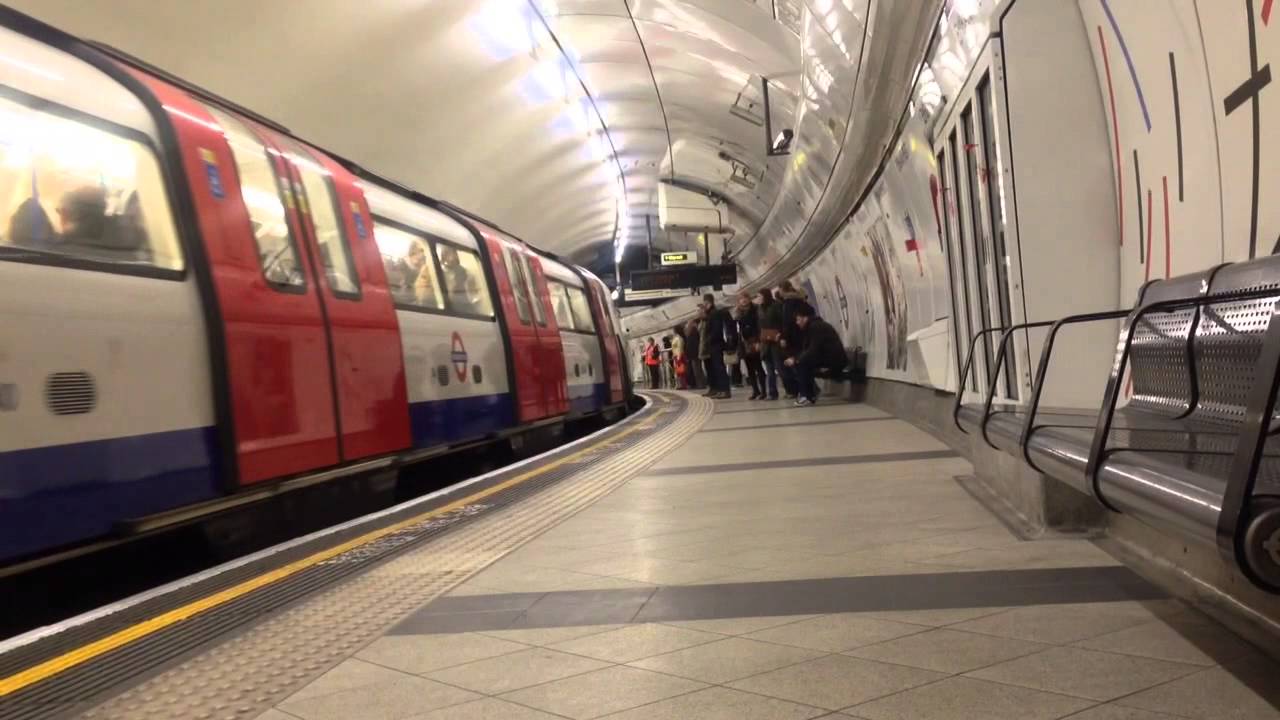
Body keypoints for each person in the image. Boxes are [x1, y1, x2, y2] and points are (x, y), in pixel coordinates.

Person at [784, 304, 848, 406]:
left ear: (805, 318)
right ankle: (810, 394)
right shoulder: (812, 326)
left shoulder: (816, 327)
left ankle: (807, 396)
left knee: (802, 364)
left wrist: (797, 360)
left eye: (798, 319)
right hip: (828, 357)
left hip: (834, 361)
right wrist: (796, 358)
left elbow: (813, 349)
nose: (797, 322)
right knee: (801, 362)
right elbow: (808, 349)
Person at [777, 281, 810, 398]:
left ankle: (805, 390)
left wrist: (783, 337)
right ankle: (806, 390)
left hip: (792, 338)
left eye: (779, 289)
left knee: (794, 364)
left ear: (783, 290)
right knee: (799, 363)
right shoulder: (801, 301)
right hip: (802, 336)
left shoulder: (788, 303)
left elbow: (787, 322)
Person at [735, 293, 766, 400]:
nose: (743, 301)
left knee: (758, 366)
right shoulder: (738, 313)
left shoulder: (756, 309)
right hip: (744, 343)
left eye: (745, 298)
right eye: (740, 299)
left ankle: (764, 391)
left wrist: (759, 340)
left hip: (754, 340)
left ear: (749, 299)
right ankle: (755, 390)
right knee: (750, 368)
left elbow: (760, 325)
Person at [701, 293, 732, 398]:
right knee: (714, 368)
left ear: (708, 302)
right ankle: (718, 389)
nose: (703, 305)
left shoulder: (715, 313)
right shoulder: (710, 314)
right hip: (712, 345)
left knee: (719, 368)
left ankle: (725, 390)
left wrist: (709, 340)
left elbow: (716, 330)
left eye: (705, 303)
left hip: (716, 344)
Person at [758, 288, 782, 400]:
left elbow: (782, 321)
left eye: (760, 296)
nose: (758, 298)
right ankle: (772, 393)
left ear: (765, 296)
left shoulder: (776, 306)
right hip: (765, 341)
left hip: (776, 339)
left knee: (780, 367)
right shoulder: (759, 309)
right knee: (769, 368)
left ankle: (793, 389)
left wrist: (781, 334)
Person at [684, 316, 706, 390]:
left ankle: (701, 384)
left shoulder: (694, 332)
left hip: (695, 354)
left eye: (688, 324)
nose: (687, 326)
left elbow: (694, 344)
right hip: (693, 354)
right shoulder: (691, 332)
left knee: (697, 370)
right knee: (696, 370)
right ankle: (700, 384)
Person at [671, 325, 688, 389]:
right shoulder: (676, 338)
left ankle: (683, 385)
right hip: (676, 355)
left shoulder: (679, 338)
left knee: (681, 371)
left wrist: (679, 356)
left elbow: (680, 348)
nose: (673, 331)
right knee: (678, 371)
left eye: (674, 330)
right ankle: (680, 384)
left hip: (679, 355)